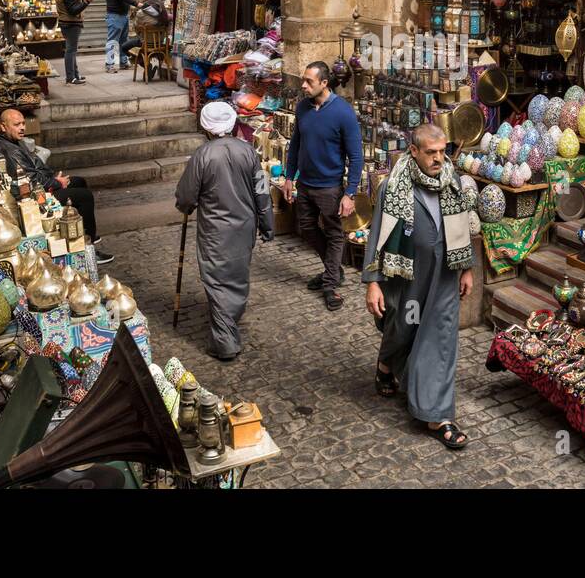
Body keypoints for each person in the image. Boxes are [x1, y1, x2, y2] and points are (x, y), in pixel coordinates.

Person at [363, 123, 477, 450]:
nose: (439, 158)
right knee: (403, 327)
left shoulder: (451, 181)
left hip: (444, 273)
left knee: (440, 337)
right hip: (406, 273)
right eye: (431, 152)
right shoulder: (394, 187)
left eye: (442, 151)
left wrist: (466, 268)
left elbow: (458, 227)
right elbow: (378, 237)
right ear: (414, 151)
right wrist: (374, 283)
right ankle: (386, 365)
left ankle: (437, 414)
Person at [174, 102, 273, 361]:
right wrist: (267, 223)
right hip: (244, 227)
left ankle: (225, 342)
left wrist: (185, 206)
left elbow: (186, 195)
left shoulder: (202, 155)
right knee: (237, 276)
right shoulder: (248, 151)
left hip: (215, 231)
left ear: (206, 127)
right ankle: (228, 322)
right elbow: (262, 190)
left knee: (217, 280)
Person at [283, 61, 362, 311]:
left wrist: (349, 193)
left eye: (309, 82)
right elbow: (295, 144)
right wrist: (288, 177)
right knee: (306, 228)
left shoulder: (343, 112)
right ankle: (333, 269)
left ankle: (330, 285)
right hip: (305, 184)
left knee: (334, 234)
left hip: (330, 187)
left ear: (324, 83)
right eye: (303, 80)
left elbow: (356, 156)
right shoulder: (303, 107)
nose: (304, 86)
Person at [0, 108, 113, 263]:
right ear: (3, 126)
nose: (22, 127)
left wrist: (55, 178)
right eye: (17, 124)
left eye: (23, 123)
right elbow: (31, 181)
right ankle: (89, 250)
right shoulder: (7, 149)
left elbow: (37, 166)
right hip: (34, 196)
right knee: (84, 196)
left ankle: (88, 232)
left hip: (41, 185)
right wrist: (56, 183)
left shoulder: (13, 141)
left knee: (79, 182)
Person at [55, 0, 92, 85]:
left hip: (69, 23)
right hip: (70, 24)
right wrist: (86, 1)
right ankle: (70, 78)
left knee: (72, 50)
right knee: (70, 50)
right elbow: (73, 11)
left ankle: (75, 75)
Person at [103, 0, 137, 72]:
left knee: (123, 40)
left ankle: (123, 62)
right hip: (115, 16)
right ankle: (109, 65)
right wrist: (137, 3)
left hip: (122, 15)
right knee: (112, 40)